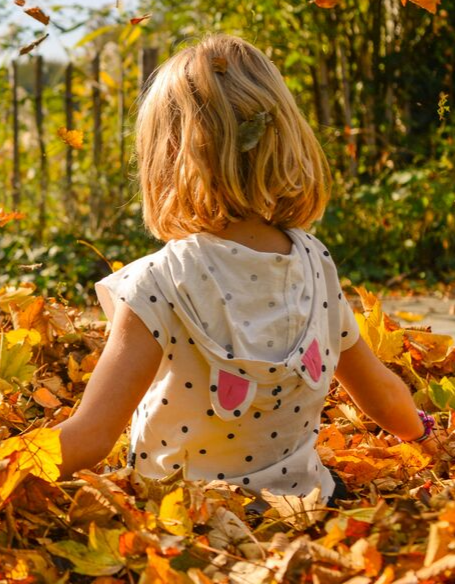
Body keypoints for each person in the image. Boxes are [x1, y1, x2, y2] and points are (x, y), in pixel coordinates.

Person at [53, 33, 447, 504]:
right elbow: (380, 393)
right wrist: (426, 438)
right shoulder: (314, 261)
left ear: (168, 157)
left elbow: (91, 436)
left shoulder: (157, 282)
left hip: (184, 521)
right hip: (302, 505)